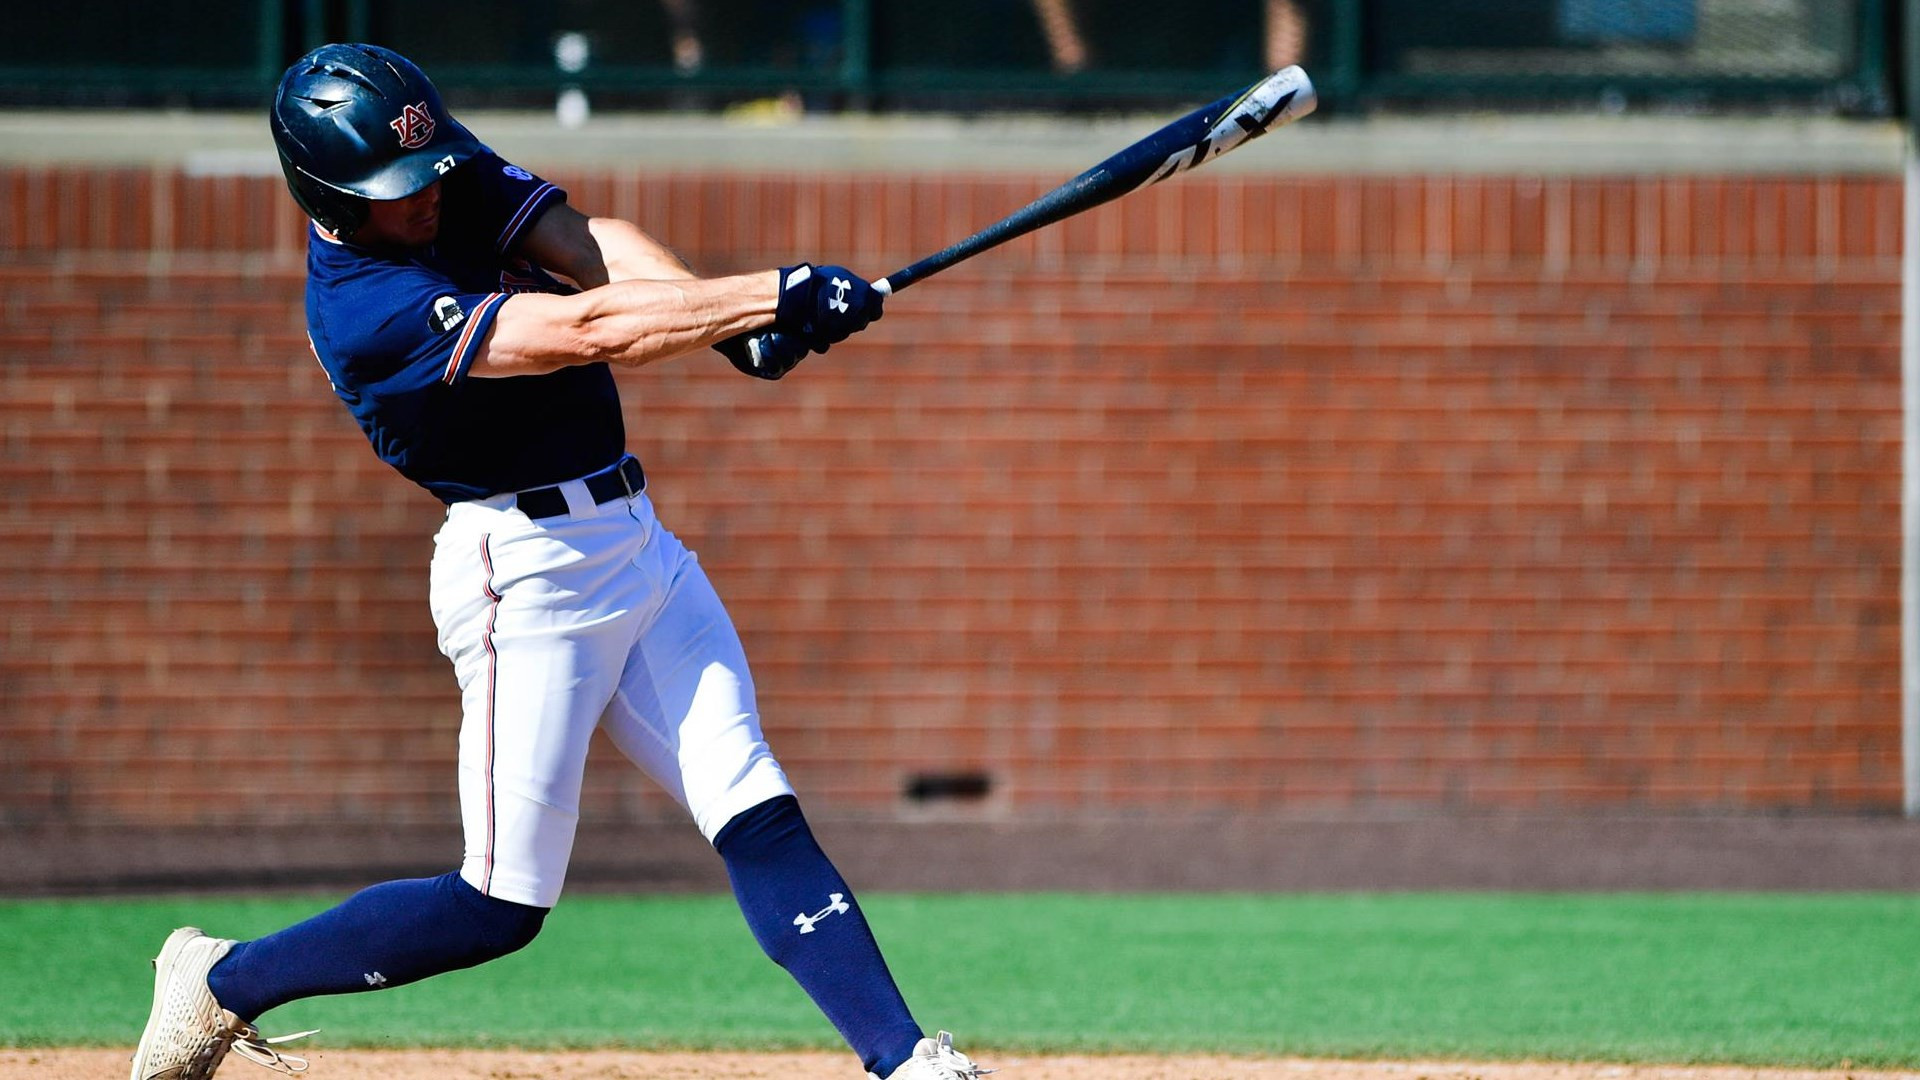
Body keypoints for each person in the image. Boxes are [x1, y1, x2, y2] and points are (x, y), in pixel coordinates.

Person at [127, 42, 989, 1080]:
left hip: (637, 542)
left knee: (754, 806)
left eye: (433, 167)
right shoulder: (362, 309)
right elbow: (586, 326)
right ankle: (224, 981)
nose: (431, 196)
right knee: (498, 904)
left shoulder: (435, 177)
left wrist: (724, 321)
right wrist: (773, 294)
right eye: (400, 191)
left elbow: (588, 244)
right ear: (332, 197)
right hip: (522, 573)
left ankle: (905, 1061)